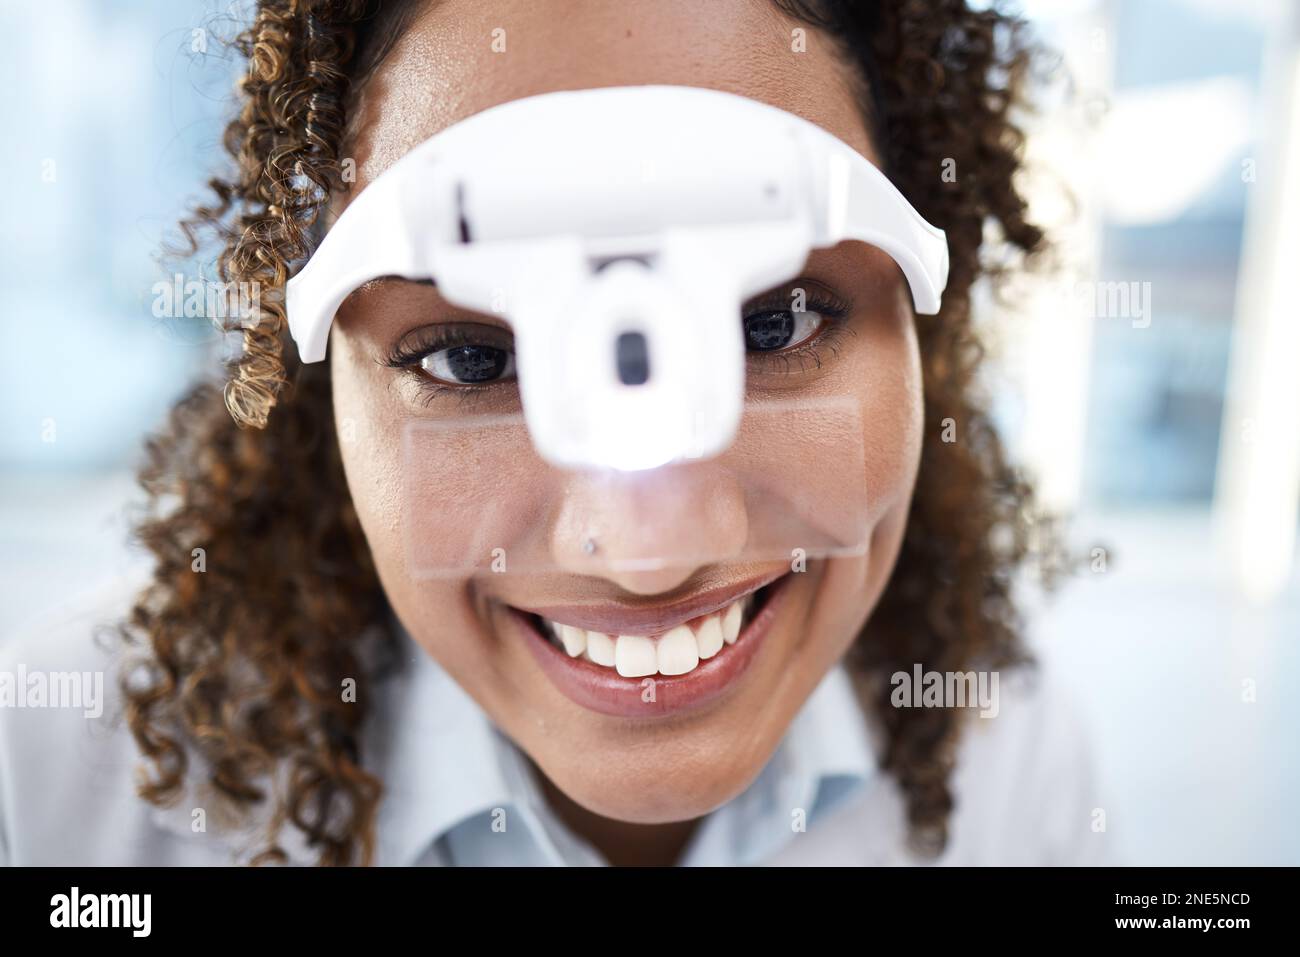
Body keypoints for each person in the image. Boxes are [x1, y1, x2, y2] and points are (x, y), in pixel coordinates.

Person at [0, 0, 1111, 867]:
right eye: (472, 359)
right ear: (320, 382)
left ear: (928, 325)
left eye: (772, 325)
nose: (646, 552)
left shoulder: (1006, 761)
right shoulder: (59, 783)